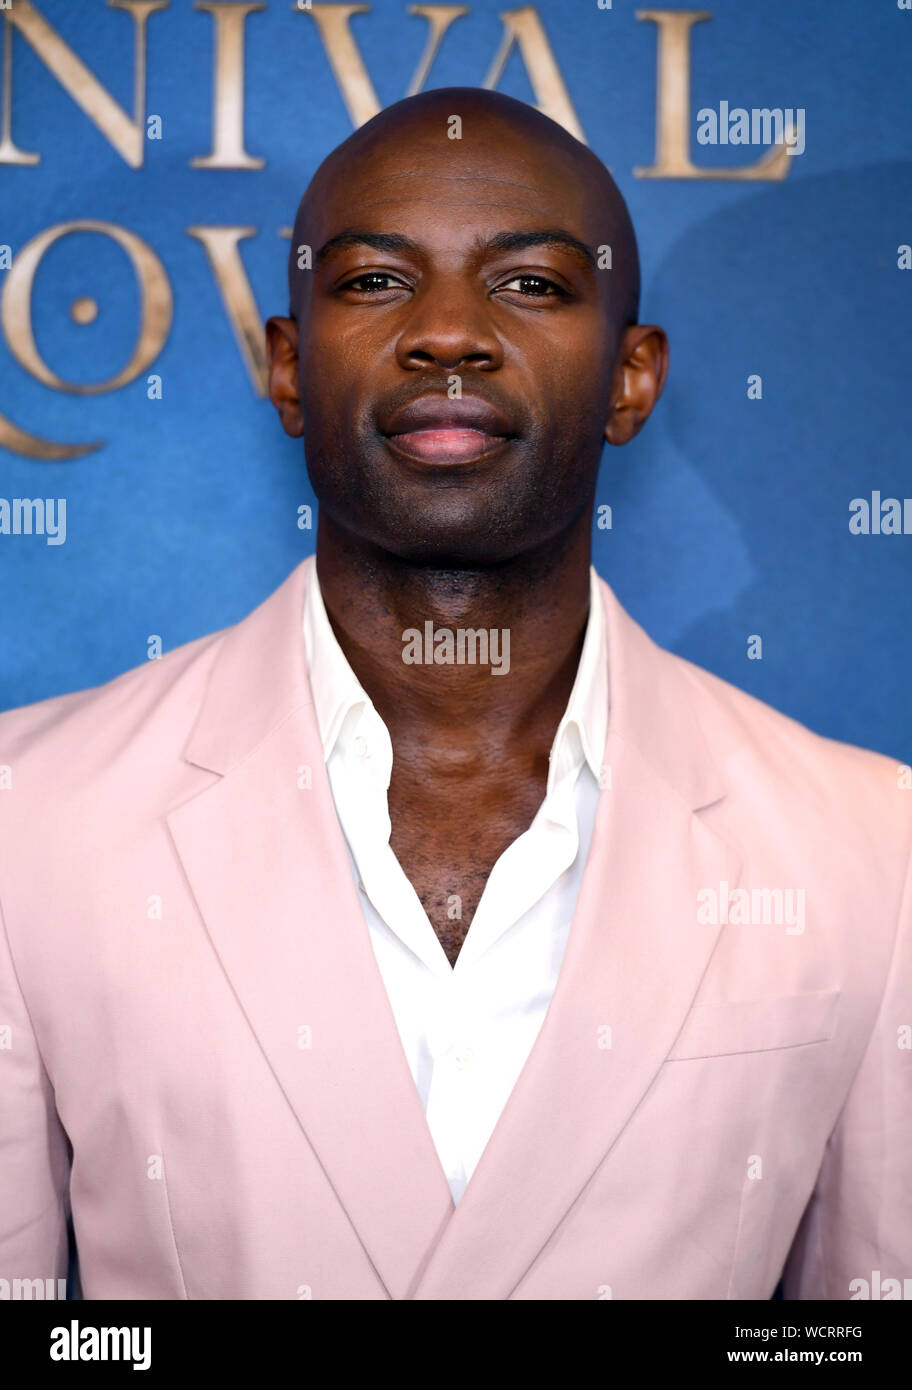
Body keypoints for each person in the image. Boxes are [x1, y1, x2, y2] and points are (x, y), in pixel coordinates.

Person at [0, 88, 908, 1301]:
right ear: (286, 365)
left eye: (529, 284)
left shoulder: (869, 845)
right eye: (375, 282)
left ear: (634, 380)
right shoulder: (33, 818)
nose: (447, 335)